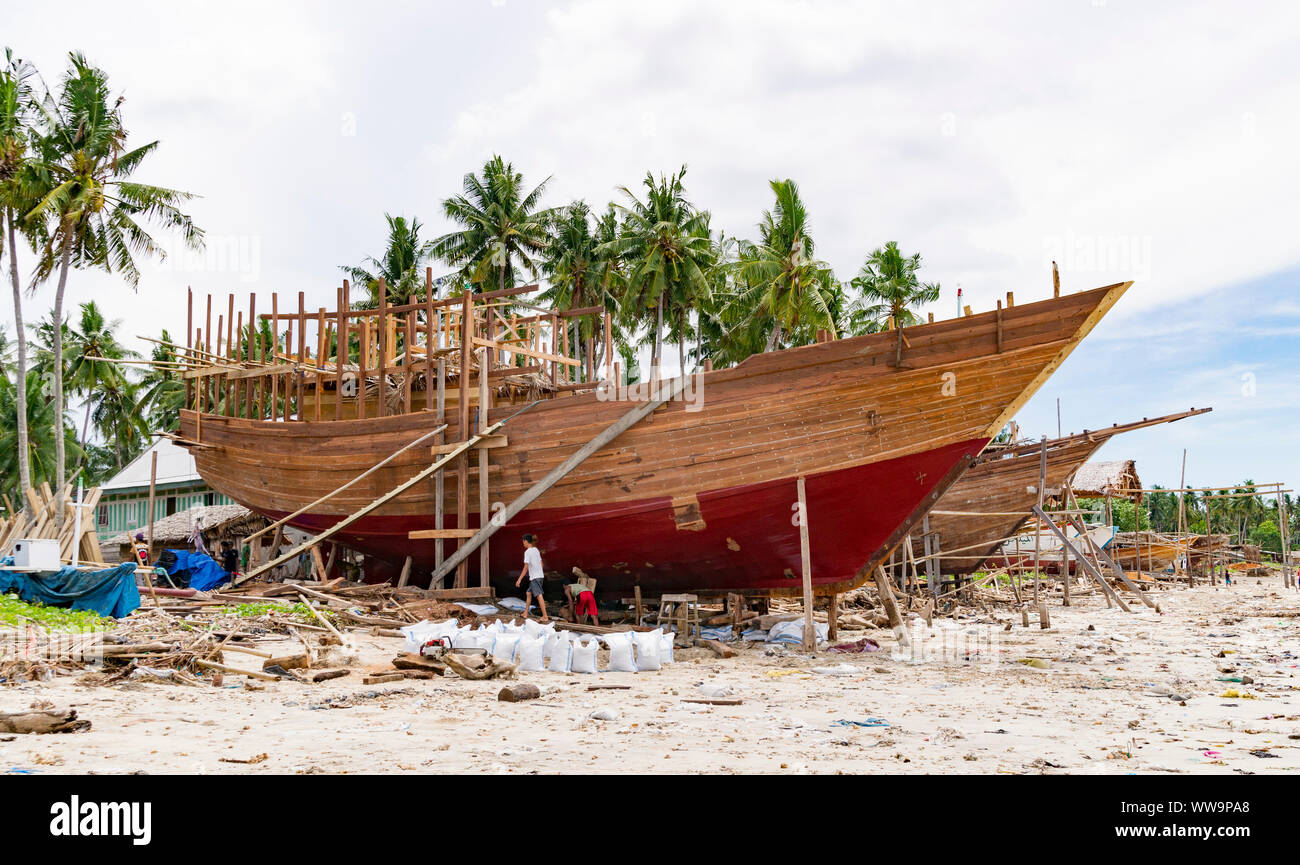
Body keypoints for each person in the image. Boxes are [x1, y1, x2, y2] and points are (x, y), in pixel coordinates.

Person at [514, 534, 549, 622]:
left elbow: (526, 567)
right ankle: (526, 613)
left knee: (539, 595)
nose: (523, 543)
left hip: (535, 577)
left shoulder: (527, 552)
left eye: (523, 542)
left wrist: (519, 579)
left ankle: (545, 616)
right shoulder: (536, 550)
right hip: (539, 576)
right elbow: (541, 563)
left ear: (526, 541)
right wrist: (538, 571)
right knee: (528, 593)